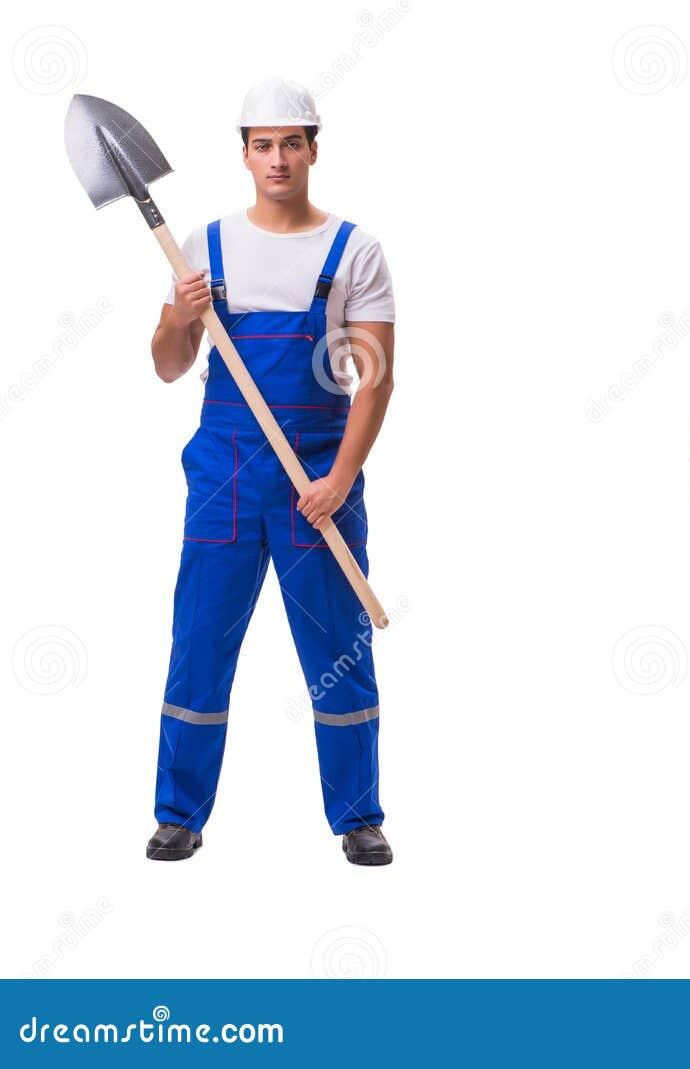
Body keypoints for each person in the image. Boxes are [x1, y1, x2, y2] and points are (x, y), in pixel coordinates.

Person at [145, 77, 397, 865]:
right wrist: (176, 317)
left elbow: (377, 375)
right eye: (264, 145)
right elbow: (167, 367)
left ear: (314, 149)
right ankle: (179, 812)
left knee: (338, 650)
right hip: (221, 473)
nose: (279, 158)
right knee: (199, 643)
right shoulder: (204, 245)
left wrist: (341, 479)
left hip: (315, 475)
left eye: (293, 142)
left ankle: (359, 815)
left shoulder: (354, 250)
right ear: (245, 153)